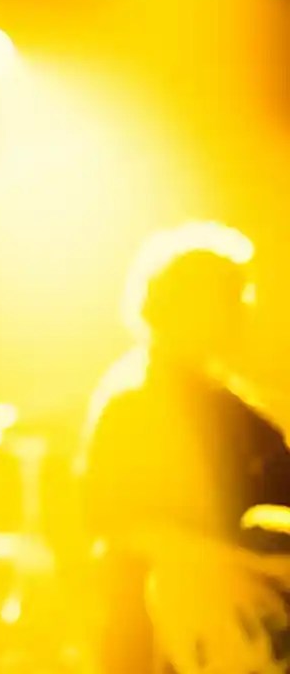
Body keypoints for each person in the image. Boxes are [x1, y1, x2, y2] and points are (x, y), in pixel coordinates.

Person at [75, 221, 290, 673]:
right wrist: (252, 567)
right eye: (227, 298)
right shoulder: (133, 401)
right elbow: (126, 527)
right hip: (159, 641)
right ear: (178, 306)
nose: (242, 312)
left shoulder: (243, 415)